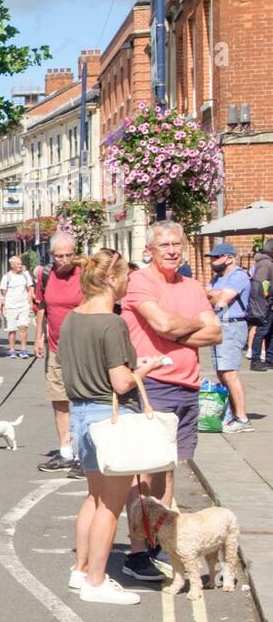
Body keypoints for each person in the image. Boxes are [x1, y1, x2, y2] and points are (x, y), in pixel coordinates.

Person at [59, 248, 167, 606]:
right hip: (111, 417)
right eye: (125, 277)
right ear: (110, 279)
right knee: (111, 504)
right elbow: (121, 383)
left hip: (81, 414)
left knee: (92, 497)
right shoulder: (113, 323)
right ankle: (96, 580)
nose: (127, 283)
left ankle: (80, 569)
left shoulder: (73, 318)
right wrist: (147, 367)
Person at [120, 220, 222, 582]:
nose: (171, 250)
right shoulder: (139, 282)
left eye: (176, 243)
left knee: (169, 468)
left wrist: (180, 331)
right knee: (144, 472)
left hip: (187, 386)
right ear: (149, 249)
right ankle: (136, 551)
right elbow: (162, 325)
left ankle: (159, 541)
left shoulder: (192, 284)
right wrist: (189, 327)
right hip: (154, 387)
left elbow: (217, 332)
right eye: (163, 244)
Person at [33, 233, 83, 476]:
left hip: (84, 348)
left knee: (85, 402)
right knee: (59, 399)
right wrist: (38, 336)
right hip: (55, 347)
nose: (65, 260)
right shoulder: (45, 275)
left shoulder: (85, 275)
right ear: (51, 255)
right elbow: (42, 305)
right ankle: (65, 452)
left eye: (69, 255)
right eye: (59, 256)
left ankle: (85, 455)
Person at [205, 242, 254, 432]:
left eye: (218, 257)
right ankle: (232, 413)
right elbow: (206, 296)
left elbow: (222, 299)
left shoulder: (239, 276)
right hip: (219, 325)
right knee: (221, 371)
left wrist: (212, 295)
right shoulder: (218, 278)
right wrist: (212, 294)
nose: (213, 261)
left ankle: (242, 419)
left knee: (230, 372)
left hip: (232, 326)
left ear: (230, 258)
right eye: (212, 258)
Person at [0, 256, 35, 358]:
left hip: (23, 305)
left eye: (20, 263)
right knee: (12, 329)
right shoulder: (7, 277)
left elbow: (30, 287)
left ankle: (23, 349)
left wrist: (30, 299)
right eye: (18, 264)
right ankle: (12, 349)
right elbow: (3, 292)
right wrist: (2, 306)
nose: (20, 266)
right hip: (11, 306)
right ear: (12, 265)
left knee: (23, 327)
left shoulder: (25, 275)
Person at [250, 239, 273, 371]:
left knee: (270, 333)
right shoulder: (265, 264)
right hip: (265, 305)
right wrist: (265, 302)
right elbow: (260, 285)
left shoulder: (268, 263)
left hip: (269, 304)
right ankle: (255, 360)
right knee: (262, 332)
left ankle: (270, 359)